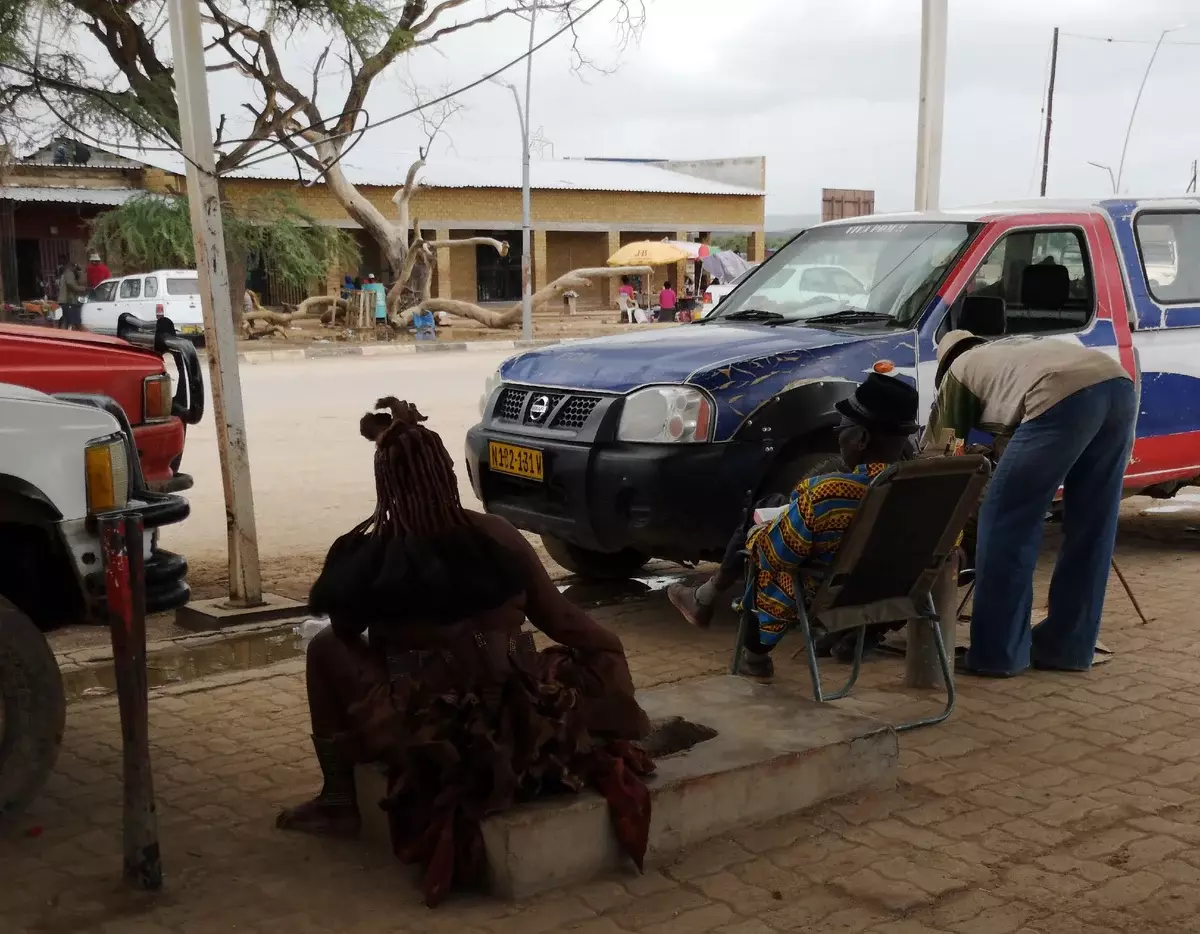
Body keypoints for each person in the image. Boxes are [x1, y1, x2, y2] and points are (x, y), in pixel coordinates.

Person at [277, 399, 653, 906]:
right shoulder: (498, 534)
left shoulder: (370, 554)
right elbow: (564, 622)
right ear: (447, 473)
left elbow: (346, 632)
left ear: (385, 485)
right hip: (523, 720)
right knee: (589, 654)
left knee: (324, 647)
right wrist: (613, 659)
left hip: (431, 733)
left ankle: (339, 799)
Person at [668, 374, 919, 677]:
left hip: (826, 595)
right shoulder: (926, 490)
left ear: (862, 438)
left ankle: (753, 653)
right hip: (891, 595)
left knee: (762, 537)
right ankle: (850, 636)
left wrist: (758, 531)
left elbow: (777, 555)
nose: (838, 436)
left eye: (842, 427)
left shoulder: (829, 493)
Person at [927, 330, 1136, 677]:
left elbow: (939, 456)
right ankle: (1068, 647)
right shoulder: (1009, 352)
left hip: (1060, 395)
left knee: (1006, 520)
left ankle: (998, 653)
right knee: (1093, 523)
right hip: (1117, 386)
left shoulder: (958, 370)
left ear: (944, 364)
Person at [57, 261, 87, 330]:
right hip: (67, 301)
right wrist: (84, 289)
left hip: (65, 300)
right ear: (73, 267)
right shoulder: (69, 273)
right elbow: (72, 286)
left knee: (66, 319)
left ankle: (63, 335)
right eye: (76, 269)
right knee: (70, 320)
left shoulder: (65, 273)